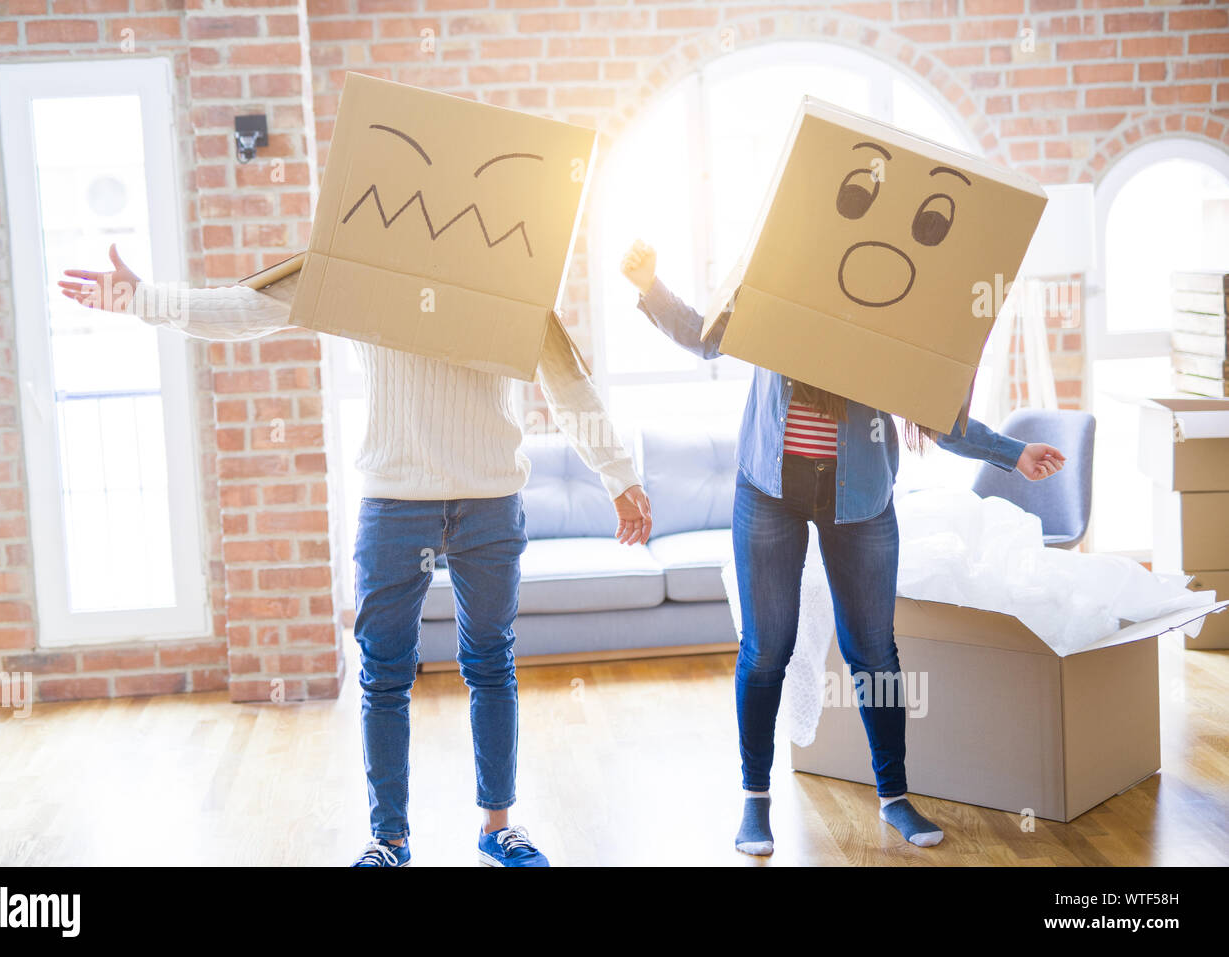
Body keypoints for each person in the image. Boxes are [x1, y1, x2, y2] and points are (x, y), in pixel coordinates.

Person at [61, 244, 654, 868]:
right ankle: (390, 840)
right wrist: (142, 298)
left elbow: (566, 381)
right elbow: (247, 308)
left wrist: (620, 475)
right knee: (385, 673)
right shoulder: (361, 252)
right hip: (396, 502)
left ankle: (496, 829)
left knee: (489, 662)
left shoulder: (508, 254)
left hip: (490, 499)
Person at [619, 239, 1065, 855]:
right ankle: (755, 799)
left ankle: (893, 796)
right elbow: (706, 336)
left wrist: (1012, 452)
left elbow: (937, 414)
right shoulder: (777, 281)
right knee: (765, 648)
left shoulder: (891, 307)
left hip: (859, 497)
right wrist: (651, 284)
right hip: (769, 488)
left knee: (873, 653)